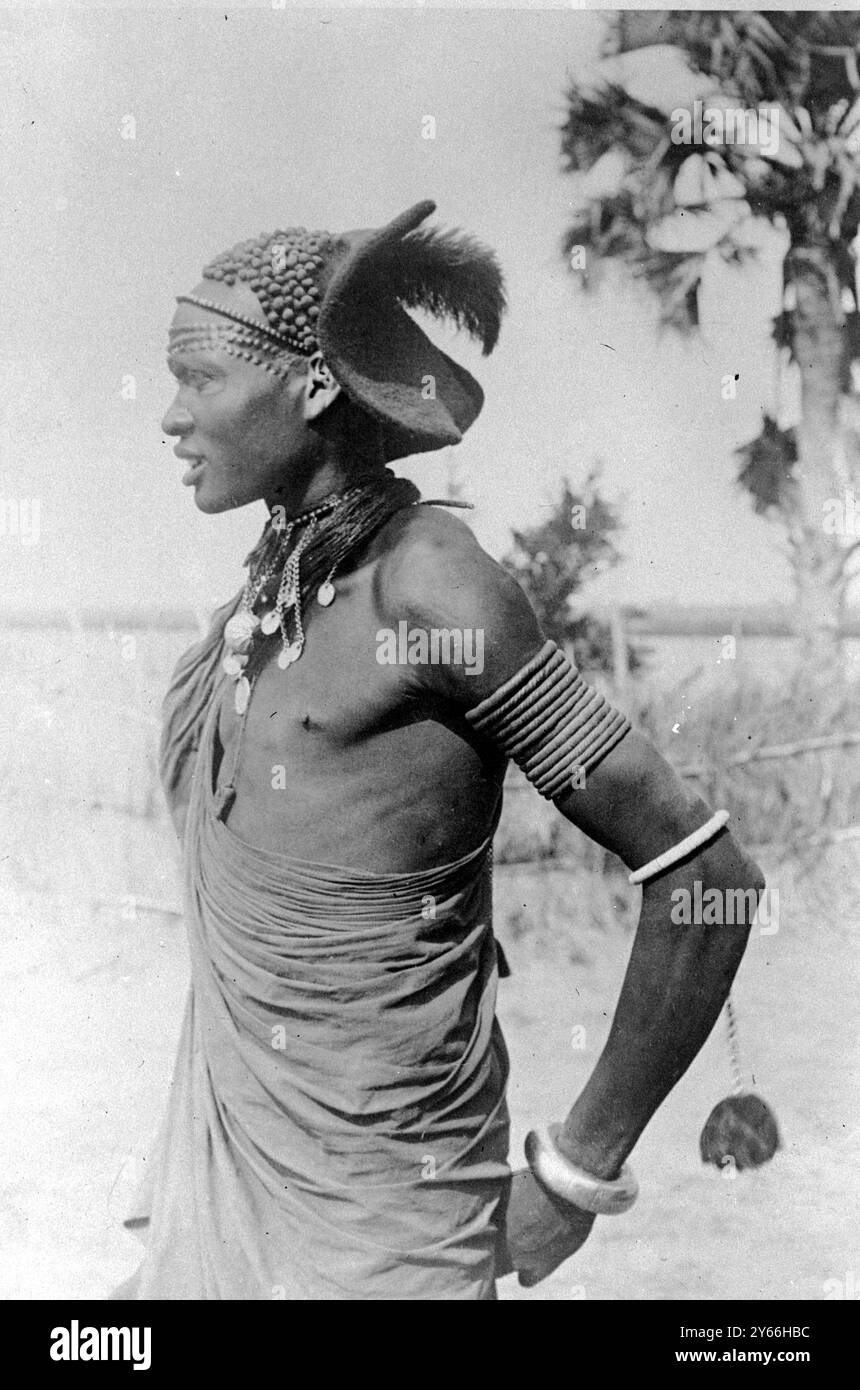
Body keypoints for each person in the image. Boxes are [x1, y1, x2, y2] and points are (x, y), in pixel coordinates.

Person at [118, 200, 764, 1300]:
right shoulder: (266, 602)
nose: (169, 418)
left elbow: (704, 878)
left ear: (312, 384)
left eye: (198, 378)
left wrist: (576, 1171)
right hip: (225, 1211)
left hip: (379, 1237)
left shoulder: (429, 582)